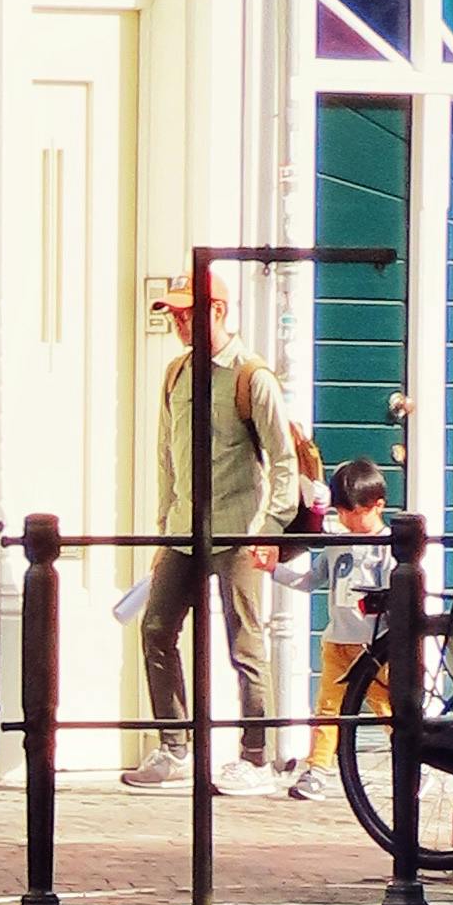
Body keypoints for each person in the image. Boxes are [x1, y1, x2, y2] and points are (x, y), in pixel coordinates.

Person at [127, 270, 300, 792]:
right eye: (175, 314)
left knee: (245, 643)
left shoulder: (252, 377)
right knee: (156, 628)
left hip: (237, 531)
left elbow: (284, 460)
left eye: (189, 313)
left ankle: (255, 755)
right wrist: (162, 530)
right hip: (183, 531)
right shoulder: (176, 374)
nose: (180, 323)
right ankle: (175, 745)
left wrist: (269, 528)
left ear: (218, 311)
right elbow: (166, 458)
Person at [298, 451, 393, 800]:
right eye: (342, 513)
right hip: (336, 642)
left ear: (378, 506)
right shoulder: (338, 544)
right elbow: (311, 579)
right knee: (327, 709)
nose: (348, 520)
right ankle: (317, 770)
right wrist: (272, 570)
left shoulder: (387, 547)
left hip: (373, 646)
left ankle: (415, 765)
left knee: (388, 709)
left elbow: (393, 597)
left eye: (356, 513)